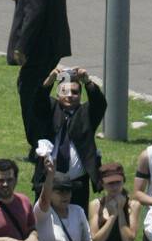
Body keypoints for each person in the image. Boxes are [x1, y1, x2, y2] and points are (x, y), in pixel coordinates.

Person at [5, 0, 71, 149]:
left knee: (30, 93)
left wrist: (22, 46)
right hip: (52, 45)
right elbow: (42, 2)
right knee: (38, 92)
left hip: (39, 48)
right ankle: (46, 140)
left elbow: (35, 12)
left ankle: (39, 145)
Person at [32, 67, 106, 214]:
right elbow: (37, 101)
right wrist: (51, 79)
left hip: (77, 183)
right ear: (57, 94)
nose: (70, 95)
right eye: (64, 91)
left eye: (75, 92)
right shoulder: (51, 109)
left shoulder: (86, 114)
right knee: (43, 221)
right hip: (49, 181)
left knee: (76, 225)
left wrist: (87, 81)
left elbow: (99, 103)